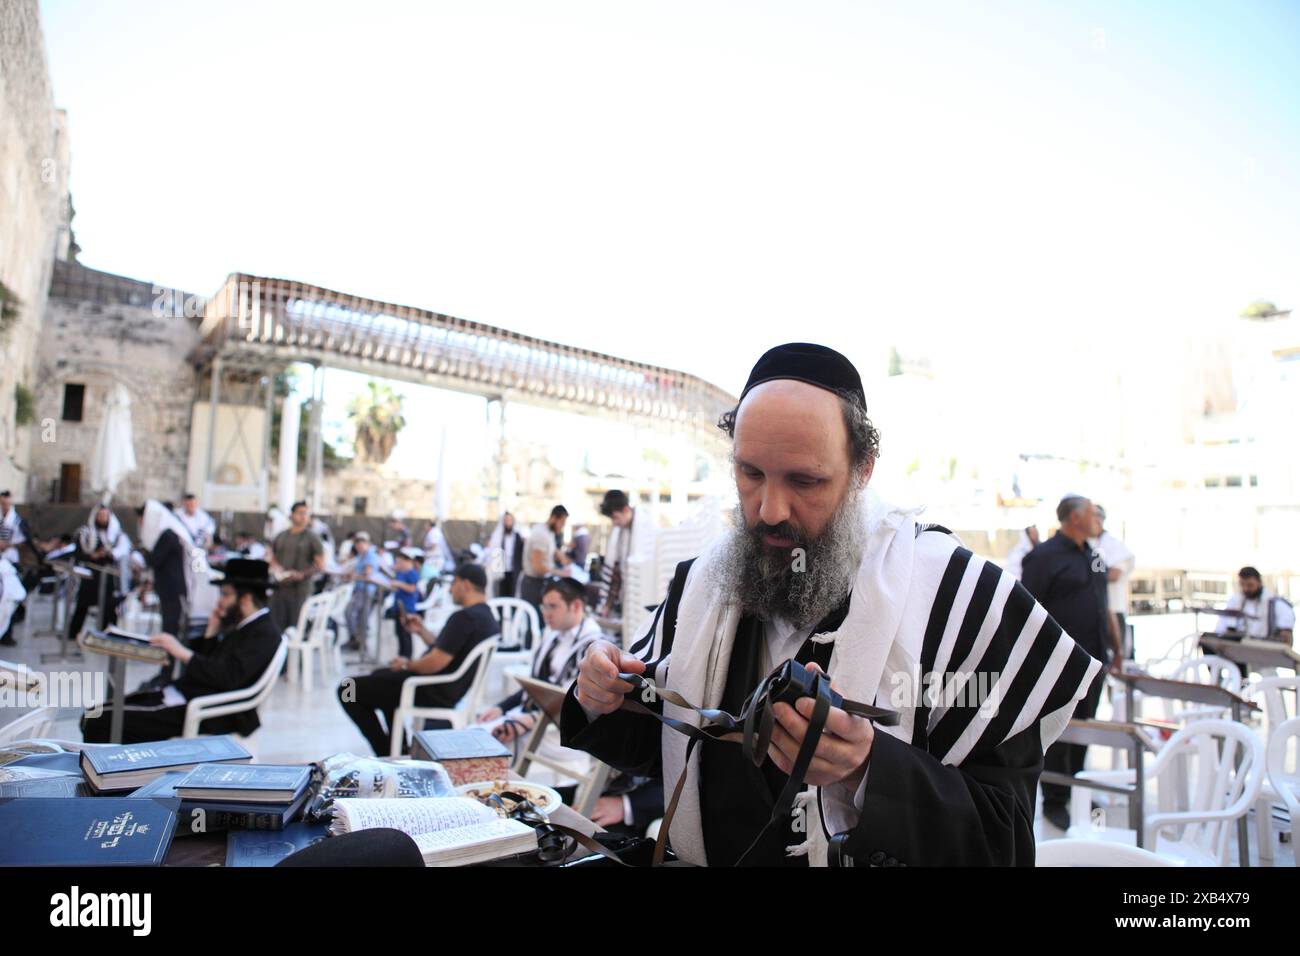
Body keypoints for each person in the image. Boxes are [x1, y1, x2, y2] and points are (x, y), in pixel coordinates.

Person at [561, 342, 1102, 867]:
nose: (770, 510)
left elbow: (1003, 841)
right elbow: (669, 747)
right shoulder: (704, 585)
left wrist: (868, 767)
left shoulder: (959, 598)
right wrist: (600, 692)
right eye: (751, 474)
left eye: (805, 481)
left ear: (863, 468)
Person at [81, 559, 283, 744]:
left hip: (210, 711)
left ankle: (111, 778)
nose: (219, 601)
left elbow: (228, 677)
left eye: (226, 595)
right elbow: (212, 664)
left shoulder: (263, 633)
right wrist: (211, 633)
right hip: (186, 696)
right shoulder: (244, 626)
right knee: (95, 714)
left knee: (97, 721)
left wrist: (180, 652)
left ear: (245, 598)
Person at [1020, 494, 1119, 832]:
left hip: (1096, 660)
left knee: (1085, 727)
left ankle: (1078, 788)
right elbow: (1026, 610)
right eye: (1093, 513)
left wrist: (1117, 649)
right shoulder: (1042, 557)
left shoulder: (1094, 556)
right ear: (1075, 518)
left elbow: (1103, 603)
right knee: (1058, 733)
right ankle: (1055, 800)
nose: (1098, 520)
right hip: (1058, 663)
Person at [336, 563, 500, 756]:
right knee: (381, 677)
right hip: (447, 687)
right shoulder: (487, 617)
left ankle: (385, 751)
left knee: (347, 689)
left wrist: (406, 664)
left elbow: (435, 663)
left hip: (431, 689)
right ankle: (397, 748)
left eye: (453, 583)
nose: (450, 589)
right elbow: (446, 649)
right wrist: (421, 631)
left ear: (465, 584)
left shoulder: (464, 618)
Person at [477, 576, 604, 747]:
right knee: (477, 731)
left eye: (553, 606)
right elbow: (535, 685)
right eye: (544, 606)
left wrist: (528, 721)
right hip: (535, 716)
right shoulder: (552, 635)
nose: (545, 612)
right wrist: (502, 707)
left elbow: (576, 704)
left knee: (489, 743)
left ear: (576, 606)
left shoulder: (593, 647)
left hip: (563, 729)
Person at [136, 500, 194, 689]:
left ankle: (167, 675)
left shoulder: (168, 536)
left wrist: (143, 552)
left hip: (173, 592)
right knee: (169, 632)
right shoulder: (167, 534)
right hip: (169, 592)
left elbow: (154, 560)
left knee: (171, 633)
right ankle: (165, 673)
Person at [65, 505, 133, 643]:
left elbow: (121, 552)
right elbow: (79, 553)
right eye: (100, 516)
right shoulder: (86, 533)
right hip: (91, 575)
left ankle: (106, 634)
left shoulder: (116, 535)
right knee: (83, 604)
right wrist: (92, 556)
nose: (102, 518)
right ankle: (73, 633)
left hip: (107, 576)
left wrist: (107, 554)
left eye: (105, 516)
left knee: (108, 606)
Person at [269, 501, 325, 633]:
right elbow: (273, 558)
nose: (303, 516)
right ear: (292, 515)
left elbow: (320, 564)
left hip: (300, 590)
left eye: (306, 514)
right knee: (277, 625)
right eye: (300, 513)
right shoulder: (281, 536)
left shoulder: (312, 537)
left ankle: (296, 654)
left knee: (297, 628)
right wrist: (278, 570)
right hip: (280, 587)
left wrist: (302, 574)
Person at [596, 489, 651, 617]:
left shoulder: (647, 528)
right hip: (627, 601)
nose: (614, 523)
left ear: (626, 510)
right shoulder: (621, 531)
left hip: (645, 595)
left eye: (615, 517)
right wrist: (608, 604)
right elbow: (617, 571)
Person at [1091, 505, 1136, 658]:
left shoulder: (1113, 545)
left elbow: (1115, 574)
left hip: (1112, 610)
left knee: (1116, 656)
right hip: (1093, 611)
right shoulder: (1088, 544)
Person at [1214, 566, 1295, 644]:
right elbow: (1221, 628)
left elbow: (1286, 637)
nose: (1245, 589)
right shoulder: (1235, 601)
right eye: (1242, 585)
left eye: (1250, 585)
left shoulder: (1276, 604)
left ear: (1259, 583)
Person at [520, 506, 567, 623]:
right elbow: (538, 567)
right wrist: (560, 573)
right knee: (535, 623)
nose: (562, 526)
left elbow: (551, 549)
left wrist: (561, 556)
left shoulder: (547, 532)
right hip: (533, 584)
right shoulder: (540, 535)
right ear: (553, 518)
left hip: (538, 583)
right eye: (561, 523)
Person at [342, 531, 382, 652]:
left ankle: (358, 640)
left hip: (366, 590)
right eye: (357, 543)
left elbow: (367, 573)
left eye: (362, 542)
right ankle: (356, 639)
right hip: (359, 588)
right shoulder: (360, 556)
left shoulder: (370, 555)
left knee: (355, 614)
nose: (359, 545)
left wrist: (353, 576)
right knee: (356, 615)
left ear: (368, 543)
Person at [388, 547, 424, 659]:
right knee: (399, 632)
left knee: (405, 633)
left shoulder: (412, 573)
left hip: (407, 607)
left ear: (407, 561)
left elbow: (412, 589)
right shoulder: (401, 572)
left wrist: (399, 584)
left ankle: (407, 656)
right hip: (398, 606)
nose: (398, 564)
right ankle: (401, 655)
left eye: (400, 562)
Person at [486, 511, 524, 598]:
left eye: (510, 520)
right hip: (501, 570)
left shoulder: (518, 536)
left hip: (514, 571)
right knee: (500, 593)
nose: (508, 522)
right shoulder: (498, 537)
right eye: (506, 520)